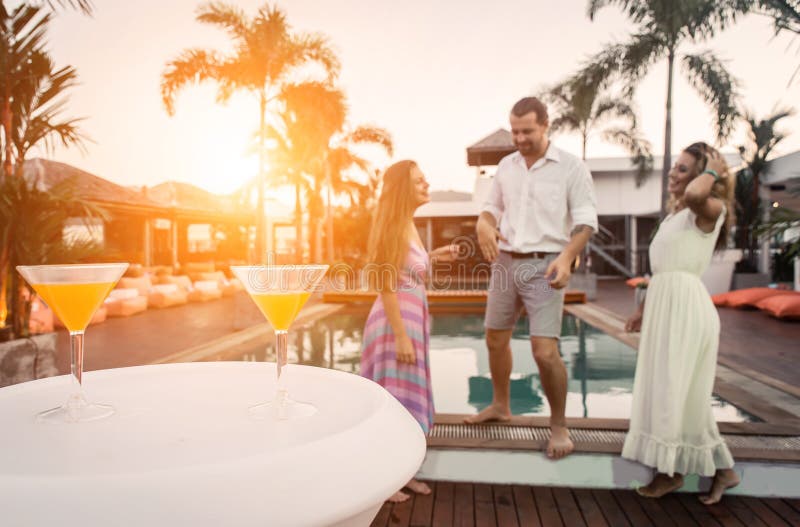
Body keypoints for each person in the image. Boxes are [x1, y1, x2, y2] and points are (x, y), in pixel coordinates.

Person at [468, 97, 598, 460]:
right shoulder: (506, 166)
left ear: (545, 126)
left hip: (547, 264)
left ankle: (558, 425)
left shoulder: (571, 167)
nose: (520, 138)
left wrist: (568, 257)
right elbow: (492, 209)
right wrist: (483, 223)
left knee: (544, 351)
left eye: (527, 131)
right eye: (515, 131)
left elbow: (585, 221)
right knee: (494, 339)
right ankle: (500, 405)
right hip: (506, 261)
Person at [623, 142, 739, 505]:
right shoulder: (676, 217)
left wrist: (712, 172)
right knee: (673, 393)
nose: (674, 173)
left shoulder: (708, 208)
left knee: (677, 390)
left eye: (684, 168)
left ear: (707, 177)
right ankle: (722, 470)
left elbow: (695, 193)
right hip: (665, 306)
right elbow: (661, 268)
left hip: (686, 310)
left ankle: (671, 473)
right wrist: (643, 309)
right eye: (675, 167)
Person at [360, 160, 457, 503]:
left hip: (409, 324)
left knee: (403, 402)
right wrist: (401, 336)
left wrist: (433, 256)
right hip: (394, 326)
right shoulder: (393, 226)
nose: (426, 184)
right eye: (419, 181)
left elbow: (405, 266)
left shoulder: (408, 225)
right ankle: (385, 483)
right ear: (404, 189)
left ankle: (403, 474)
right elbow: (387, 285)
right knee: (395, 404)